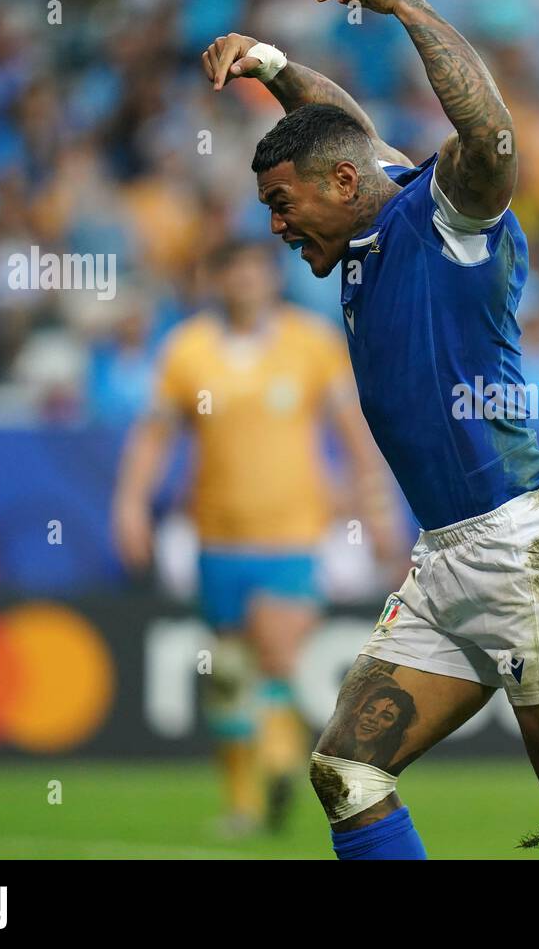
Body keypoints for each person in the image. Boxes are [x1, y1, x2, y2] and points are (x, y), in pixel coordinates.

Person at [200, 0, 539, 860]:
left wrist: (408, 6)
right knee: (347, 771)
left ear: (338, 186)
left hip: (528, 549)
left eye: (281, 204)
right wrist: (268, 61)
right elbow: (338, 127)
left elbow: (491, 135)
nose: (276, 227)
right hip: (447, 558)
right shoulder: (366, 207)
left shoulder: (448, 220)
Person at [113, 240, 396, 836]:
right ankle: (245, 799)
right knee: (229, 674)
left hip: (293, 533)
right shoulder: (188, 349)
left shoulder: (310, 343)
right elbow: (154, 436)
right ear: (216, 279)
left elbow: (353, 433)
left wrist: (375, 510)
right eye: (233, 269)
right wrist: (131, 503)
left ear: (272, 278)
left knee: (276, 654)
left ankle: (276, 772)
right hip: (216, 534)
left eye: (256, 270)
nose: (246, 281)